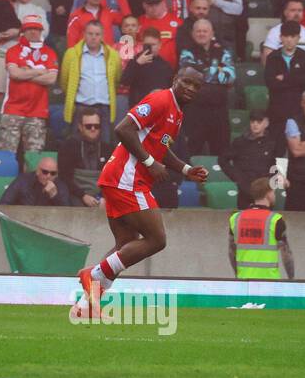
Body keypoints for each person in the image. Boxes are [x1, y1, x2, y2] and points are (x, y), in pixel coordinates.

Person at [78, 68, 209, 318]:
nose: (191, 88)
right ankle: (93, 274)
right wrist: (149, 163)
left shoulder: (177, 113)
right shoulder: (160, 100)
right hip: (127, 179)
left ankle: (87, 307)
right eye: (187, 82)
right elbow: (123, 128)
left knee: (125, 246)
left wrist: (186, 168)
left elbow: (160, 148)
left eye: (196, 86)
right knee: (157, 239)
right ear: (175, 80)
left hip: (123, 179)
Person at [0, 15, 57, 158]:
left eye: (36, 29)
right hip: (13, 110)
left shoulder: (49, 53)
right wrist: (38, 71)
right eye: (29, 29)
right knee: (6, 157)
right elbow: (15, 74)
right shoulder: (13, 51)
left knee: (33, 159)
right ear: (23, 31)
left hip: (37, 112)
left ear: (41, 31)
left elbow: (51, 79)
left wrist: (26, 71)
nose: (33, 32)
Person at [177, 18, 234, 157]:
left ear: (212, 33)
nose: (201, 34)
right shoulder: (186, 51)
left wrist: (202, 71)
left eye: (205, 31)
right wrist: (217, 72)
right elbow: (188, 73)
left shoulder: (223, 50)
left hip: (219, 111)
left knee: (222, 153)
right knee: (191, 152)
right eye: (198, 31)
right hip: (195, 111)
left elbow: (230, 76)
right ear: (193, 33)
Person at [60, 20, 122, 143]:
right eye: (90, 33)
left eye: (97, 34)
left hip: (104, 108)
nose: (93, 37)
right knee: (76, 145)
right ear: (84, 34)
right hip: (80, 107)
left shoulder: (113, 56)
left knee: (105, 145)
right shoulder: (71, 54)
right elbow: (64, 81)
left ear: (102, 36)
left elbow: (116, 81)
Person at [228, 177, 296, 280]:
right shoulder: (275, 220)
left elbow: (232, 252)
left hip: (243, 280)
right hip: (269, 282)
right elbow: (286, 254)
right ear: (268, 194)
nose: (274, 195)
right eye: (273, 192)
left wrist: (238, 275)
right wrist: (291, 278)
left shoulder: (236, 218)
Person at [265, 20, 305, 136]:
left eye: (293, 36)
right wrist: (297, 79)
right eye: (286, 36)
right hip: (277, 110)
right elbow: (271, 83)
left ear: (298, 38)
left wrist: (285, 77)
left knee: (298, 145)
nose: (289, 40)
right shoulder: (272, 58)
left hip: (299, 111)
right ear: (280, 38)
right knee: (278, 147)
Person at [219, 110, 278, 203]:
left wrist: (272, 184)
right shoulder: (240, 142)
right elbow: (222, 160)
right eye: (252, 122)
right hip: (245, 190)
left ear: (266, 123)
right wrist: (236, 176)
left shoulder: (271, 143)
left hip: (264, 191)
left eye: (259, 122)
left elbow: (272, 165)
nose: (255, 125)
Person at [0, 155, 70, 206]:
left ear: (56, 174)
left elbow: (66, 213)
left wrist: (54, 196)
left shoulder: (61, 186)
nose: (48, 176)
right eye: (45, 172)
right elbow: (4, 202)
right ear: (37, 171)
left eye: (53, 173)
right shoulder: (23, 180)